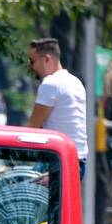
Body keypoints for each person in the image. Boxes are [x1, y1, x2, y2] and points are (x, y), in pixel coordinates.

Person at [27, 38, 88, 180]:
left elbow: (32, 130)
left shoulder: (51, 84)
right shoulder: (75, 82)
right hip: (77, 163)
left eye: (32, 61)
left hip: (59, 163)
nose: (30, 67)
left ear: (46, 59)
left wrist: (8, 163)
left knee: (11, 187)